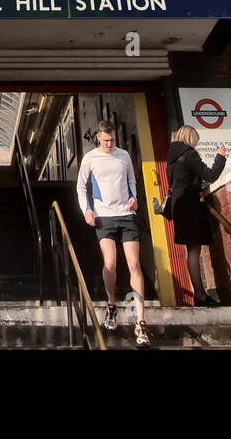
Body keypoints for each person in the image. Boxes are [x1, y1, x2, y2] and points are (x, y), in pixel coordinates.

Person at [76, 120, 151, 347]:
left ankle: (141, 321)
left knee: (134, 264)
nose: (110, 144)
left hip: (126, 214)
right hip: (104, 216)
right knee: (110, 262)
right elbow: (80, 186)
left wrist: (134, 198)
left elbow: (131, 180)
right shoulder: (90, 158)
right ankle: (111, 305)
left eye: (112, 140)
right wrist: (86, 209)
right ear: (98, 137)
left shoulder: (124, 155)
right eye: (106, 140)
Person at [166, 126, 227, 307]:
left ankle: (199, 294)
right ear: (191, 138)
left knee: (192, 249)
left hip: (179, 208)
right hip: (191, 207)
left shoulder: (172, 158)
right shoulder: (190, 154)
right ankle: (200, 295)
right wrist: (220, 157)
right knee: (194, 250)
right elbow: (210, 175)